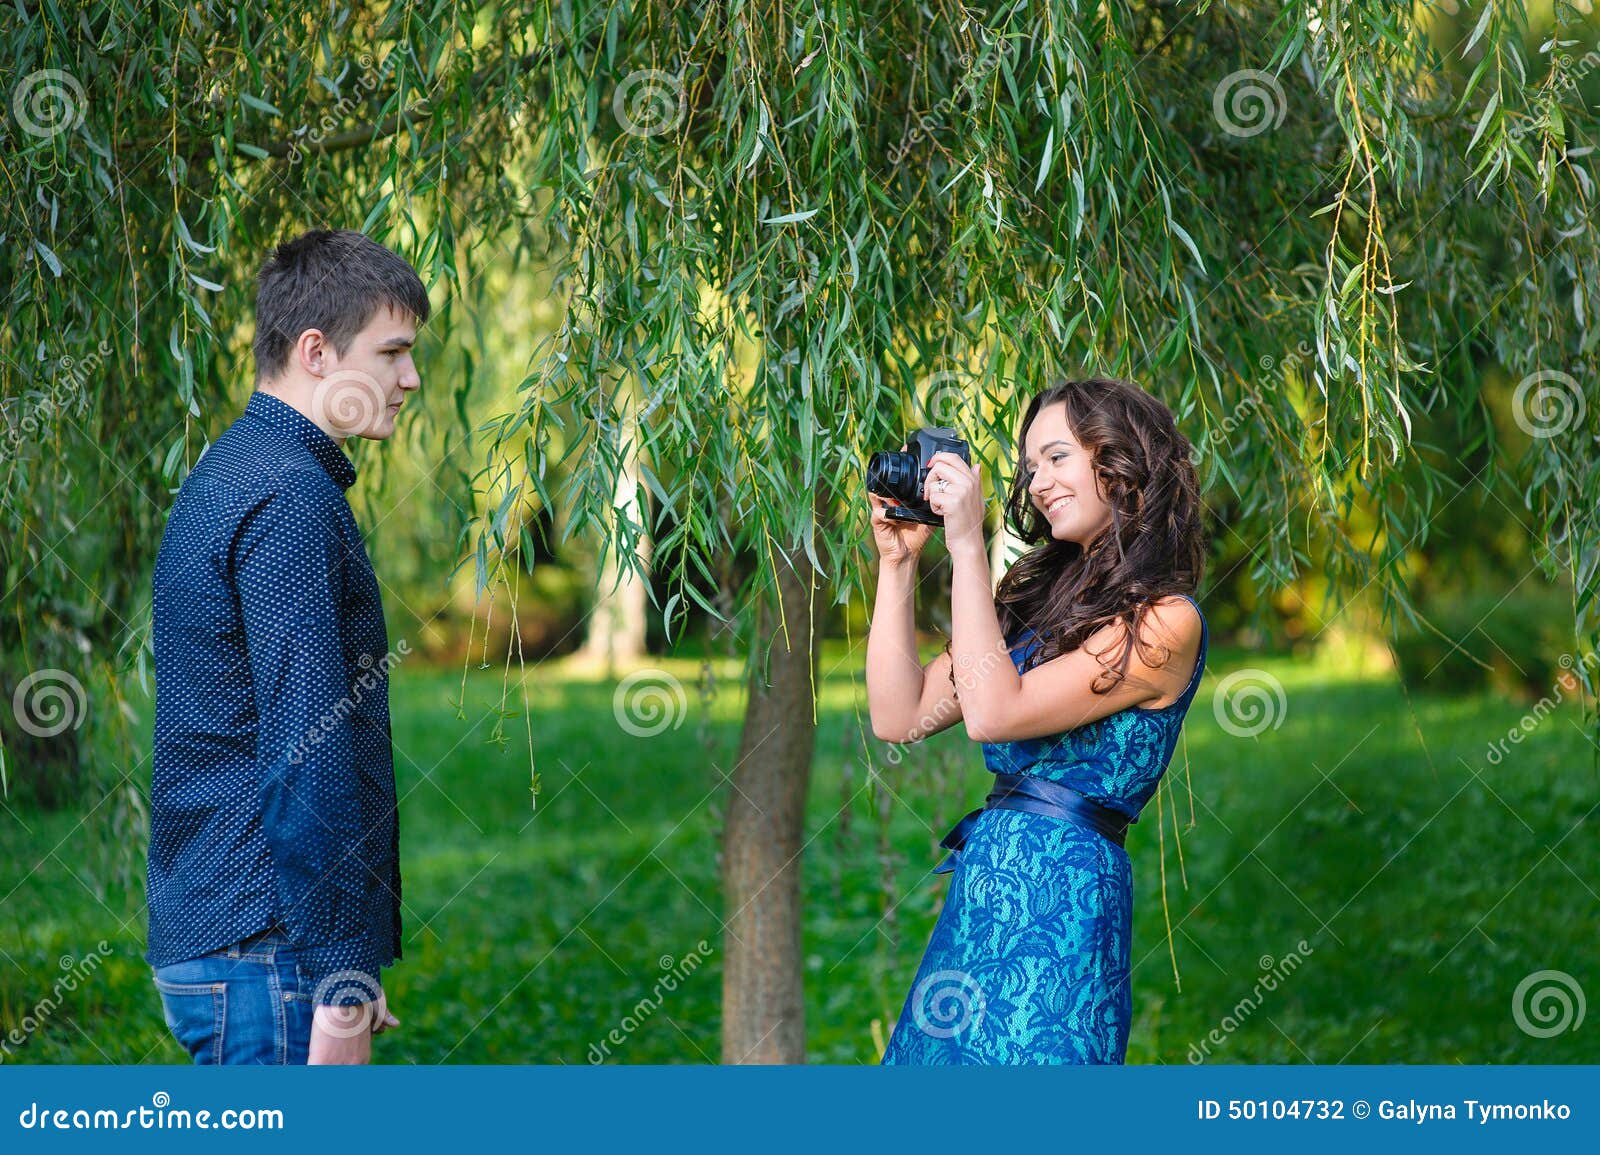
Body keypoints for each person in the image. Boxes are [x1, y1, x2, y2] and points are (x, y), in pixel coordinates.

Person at [145, 228, 428, 1064]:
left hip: (241, 937)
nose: (410, 378)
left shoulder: (240, 467)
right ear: (315, 351)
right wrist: (342, 972)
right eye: (393, 353)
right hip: (268, 949)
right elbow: (306, 745)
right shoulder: (287, 494)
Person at [866, 376, 1208, 1064]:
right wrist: (898, 567)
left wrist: (968, 546)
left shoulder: (1167, 621)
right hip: (986, 889)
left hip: (1067, 898)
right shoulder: (1037, 601)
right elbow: (899, 714)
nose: (1038, 481)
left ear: (1122, 462)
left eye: (1057, 458)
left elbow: (995, 714)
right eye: (1030, 467)